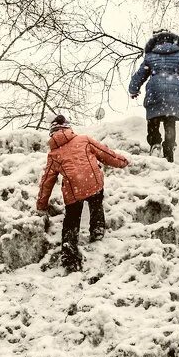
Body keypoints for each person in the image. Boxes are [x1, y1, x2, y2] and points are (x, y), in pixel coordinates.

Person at [36, 114, 129, 272]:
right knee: (96, 202)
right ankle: (97, 229)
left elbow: (47, 182)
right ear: (68, 128)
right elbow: (106, 154)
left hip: (74, 192)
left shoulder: (53, 155)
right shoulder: (84, 140)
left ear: (52, 133)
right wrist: (123, 162)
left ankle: (69, 249)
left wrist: (41, 204)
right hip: (93, 182)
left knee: (71, 219)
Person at [128, 29, 179, 163]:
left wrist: (133, 89)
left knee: (153, 120)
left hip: (155, 92)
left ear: (156, 41)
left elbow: (139, 75)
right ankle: (169, 148)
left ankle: (155, 144)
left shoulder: (150, 56)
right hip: (174, 94)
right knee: (170, 122)